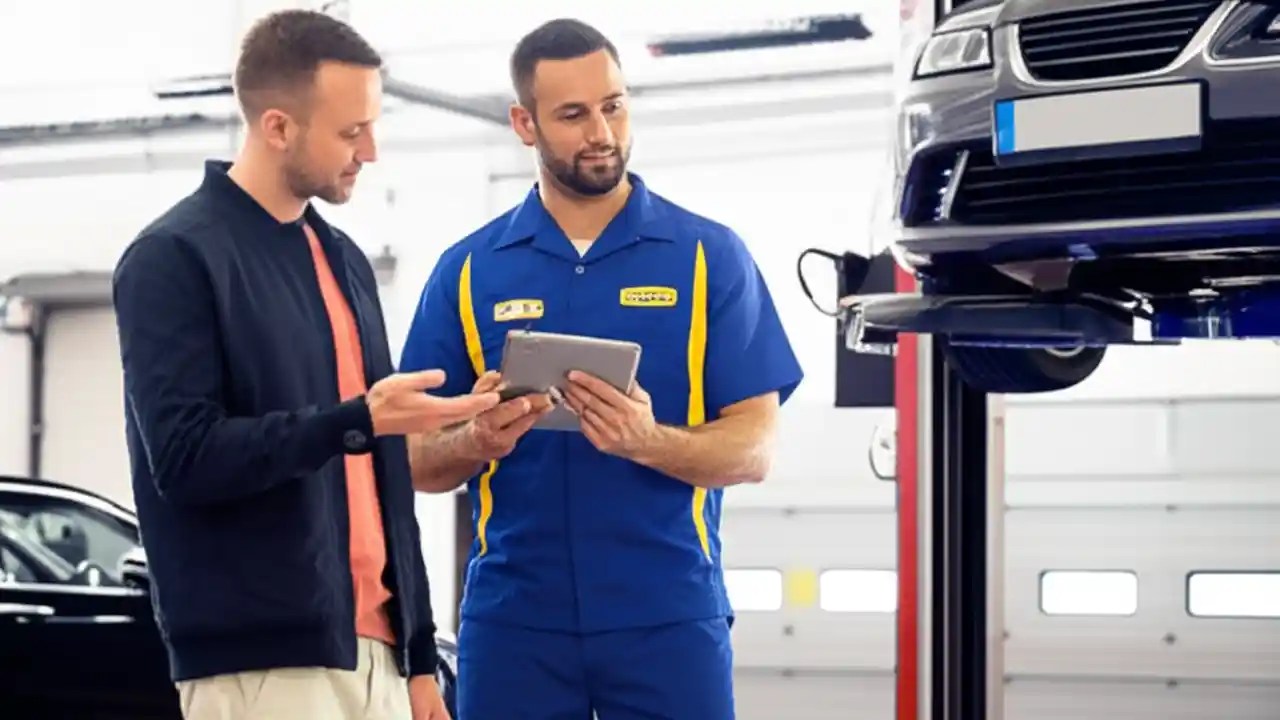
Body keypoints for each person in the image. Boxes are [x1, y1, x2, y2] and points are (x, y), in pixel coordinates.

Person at [399, 18, 804, 720]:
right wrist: (474, 439)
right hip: (513, 620)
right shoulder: (467, 272)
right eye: (573, 115)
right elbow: (412, 462)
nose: (602, 133)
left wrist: (647, 440)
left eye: (614, 105)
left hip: (669, 616)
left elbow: (756, 449)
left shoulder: (709, 258)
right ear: (524, 124)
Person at [111, 10, 493, 719]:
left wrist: (415, 657)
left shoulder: (344, 259)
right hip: (262, 665)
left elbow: (384, 479)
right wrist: (354, 419)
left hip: (377, 659)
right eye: (351, 132)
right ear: (278, 126)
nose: (370, 152)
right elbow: (186, 457)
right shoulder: (173, 258)